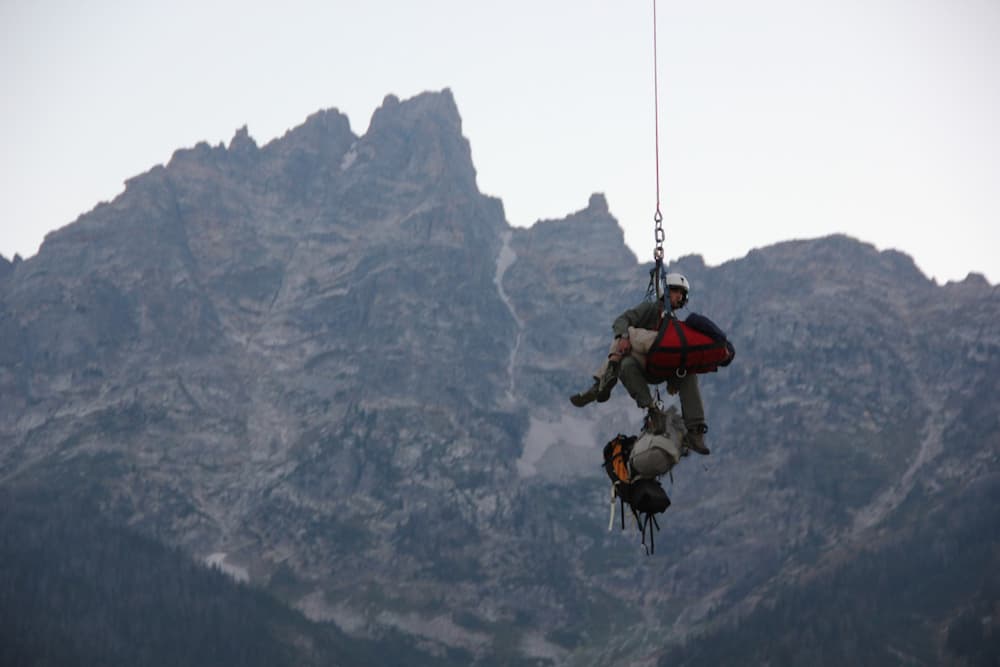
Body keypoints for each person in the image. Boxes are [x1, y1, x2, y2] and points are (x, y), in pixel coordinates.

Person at [569, 272, 713, 456]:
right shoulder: (650, 309)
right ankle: (651, 410)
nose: (679, 296)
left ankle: (695, 431)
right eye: (675, 291)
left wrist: (677, 379)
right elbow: (622, 320)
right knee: (625, 362)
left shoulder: (676, 324)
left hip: (663, 366)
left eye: (681, 293)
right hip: (644, 364)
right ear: (665, 291)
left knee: (688, 372)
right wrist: (624, 336)